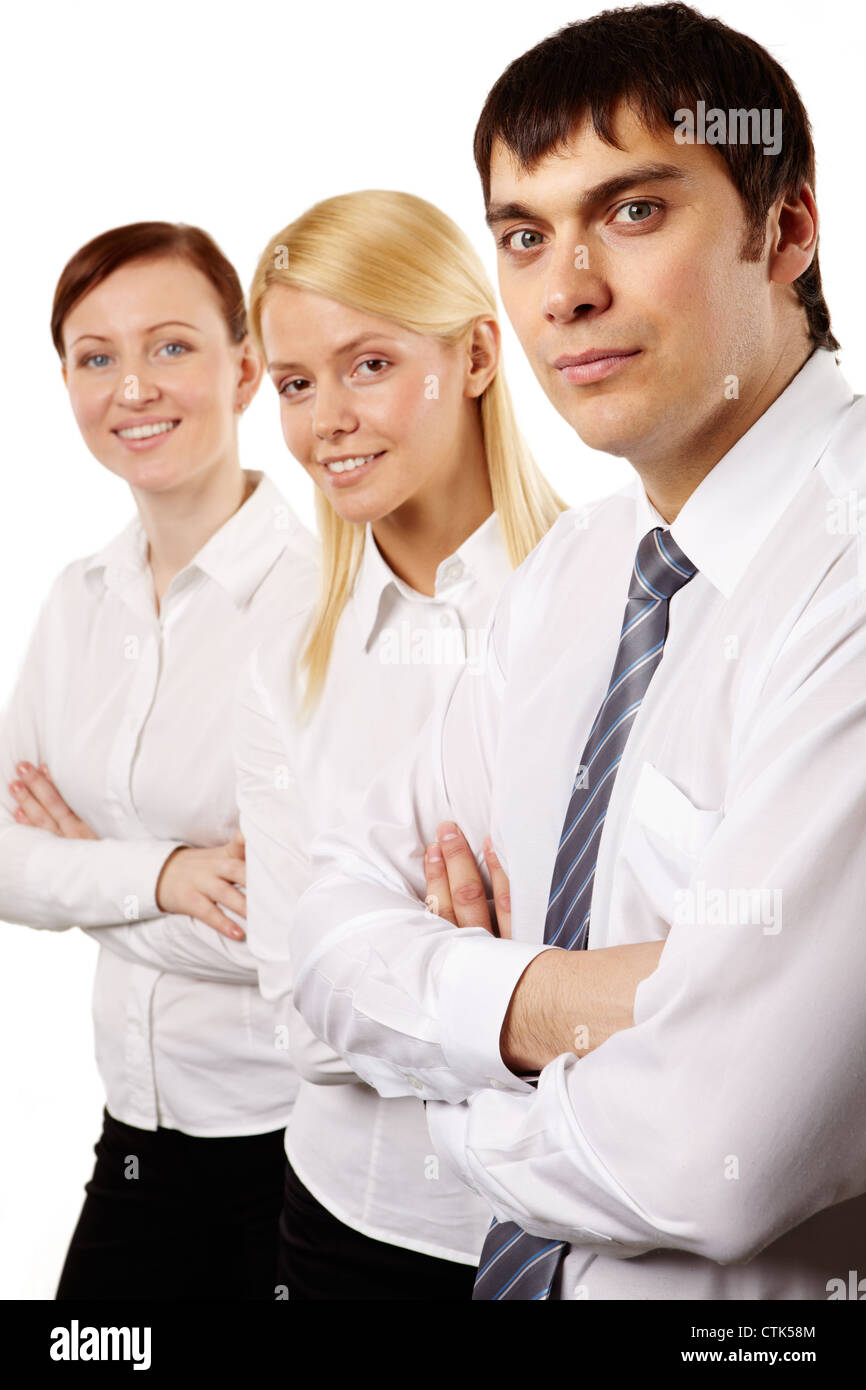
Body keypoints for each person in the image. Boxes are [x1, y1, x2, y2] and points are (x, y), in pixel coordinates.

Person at [286, 4, 866, 1300]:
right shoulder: (573, 569)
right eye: (524, 234)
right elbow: (326, 923)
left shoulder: (847, 578)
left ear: (784, 229)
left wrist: (448, 1073)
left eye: (634, 211)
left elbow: (710, 1147)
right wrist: (557, 1002)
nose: (568, 288)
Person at [234, 189, 664, 1299]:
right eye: (292, 383)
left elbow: (674, 1000)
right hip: (343, 1224)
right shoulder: (285, 643)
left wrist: (408, 961)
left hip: (577, 1241)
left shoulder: (621, 592)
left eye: (367, 364)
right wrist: (522, 987)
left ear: (476, 355)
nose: (324, 417)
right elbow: (301, 1009)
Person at [0, 221, 319, 1299]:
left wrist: (86, 869)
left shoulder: (317, 596)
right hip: (133, 1136)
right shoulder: (75, 600)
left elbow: (304, 938)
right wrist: (166, 872)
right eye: (96, 357)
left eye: (170, 347)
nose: (131, 386)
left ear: (242, 372)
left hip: (295, 1153)